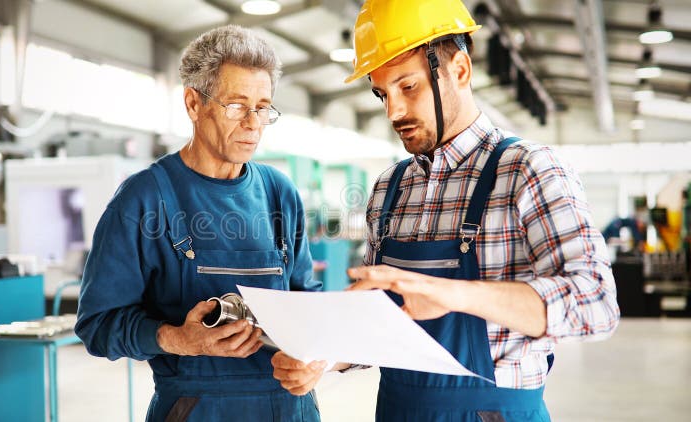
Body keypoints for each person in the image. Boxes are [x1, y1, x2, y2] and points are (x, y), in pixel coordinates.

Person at [270, 0, 620, 420]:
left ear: (460, 70)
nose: (394, 111)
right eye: (382, 94)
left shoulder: (528, 170)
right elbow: (377, 323)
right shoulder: (389, 189)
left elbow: (596, 304)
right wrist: (323, 358)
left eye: (408, 86)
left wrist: (451, 294)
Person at [75, 25, 322, 422]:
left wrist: (315, 359)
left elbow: (308, 303)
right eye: (237, 105)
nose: (253, 123)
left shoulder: (279, 193)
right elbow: (97, 325)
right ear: (193, 103)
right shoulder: (144, 199)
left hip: (289, 408)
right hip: (194, 409)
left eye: (262, 107)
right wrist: (178, 339)